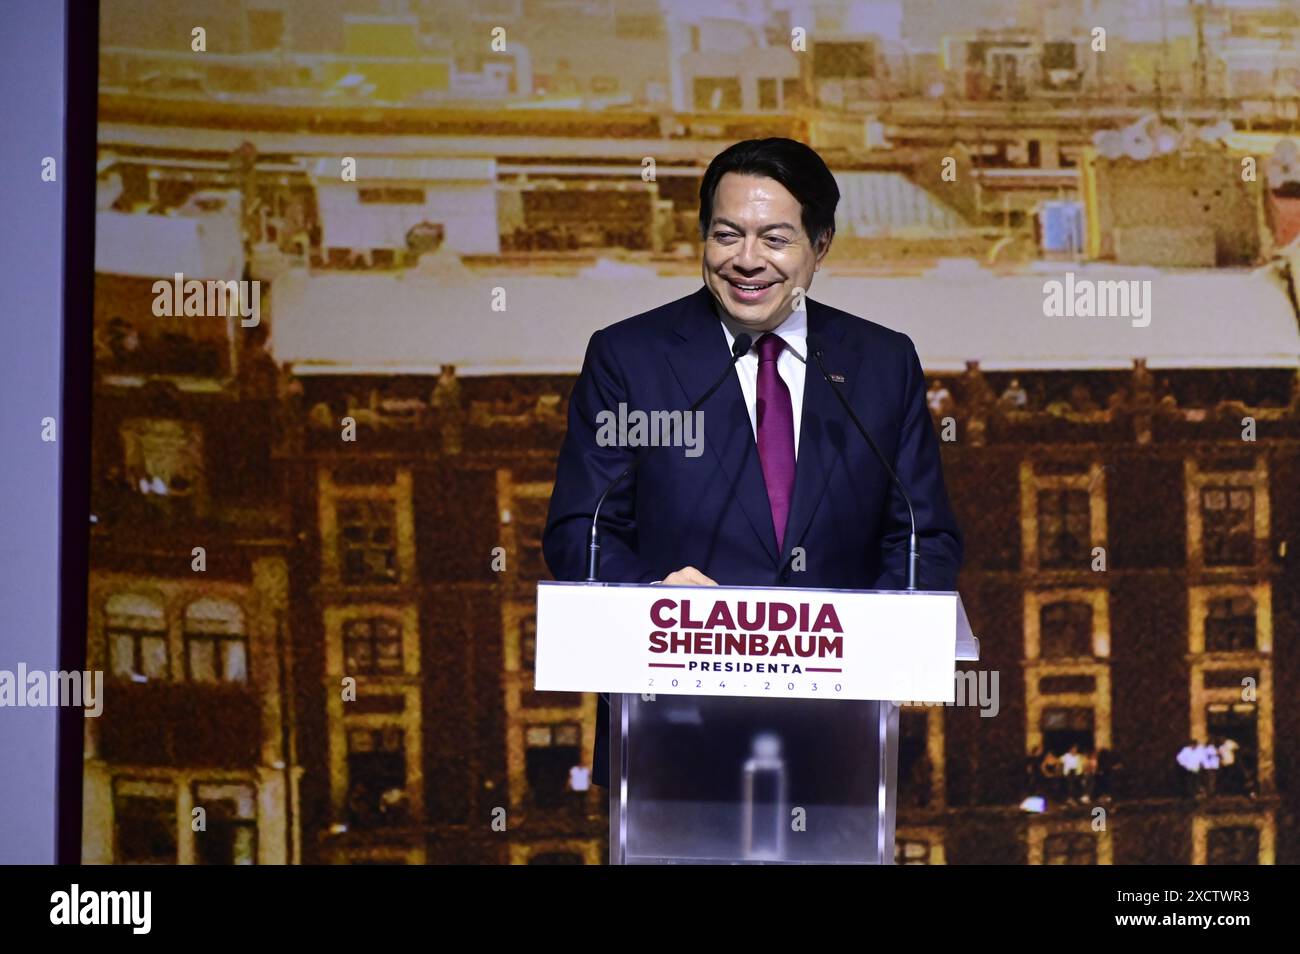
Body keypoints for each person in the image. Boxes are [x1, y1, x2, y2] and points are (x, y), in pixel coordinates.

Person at [542, 138, 963, 787]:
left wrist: (877, 638)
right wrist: (651, 604)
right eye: (726, 234)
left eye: (774, 239)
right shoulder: (630, 359)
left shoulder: (882, 363)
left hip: (835, 739)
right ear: (701, 239)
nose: (745, 260)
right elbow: (581, 530)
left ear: (820, 246)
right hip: (670, 731)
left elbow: (921, 536)